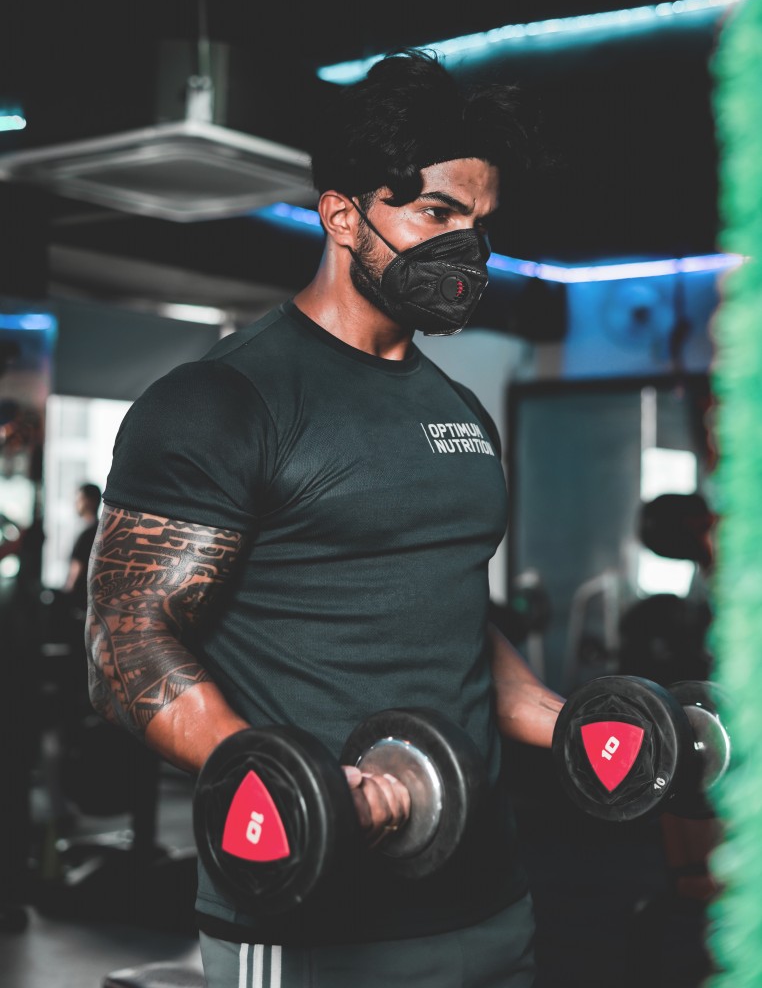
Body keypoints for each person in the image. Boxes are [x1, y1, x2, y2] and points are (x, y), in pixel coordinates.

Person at [86, 49, 564, 988]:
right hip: (314, 913)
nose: (467, 248)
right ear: (343, 215)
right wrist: (294, 783)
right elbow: (124, 647)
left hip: (491, 899)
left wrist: (577, 722)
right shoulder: (226, 400)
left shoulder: (460, 413)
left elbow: (455, 623)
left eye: (481, 223)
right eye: (437, 213)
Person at [63, 483, 101, 617]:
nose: (76, 504)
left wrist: (67, 595)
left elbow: (76, 569)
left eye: (79, 499)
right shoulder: (100, 531)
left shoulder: (88, 534)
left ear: (90, 501)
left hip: (80, 605)